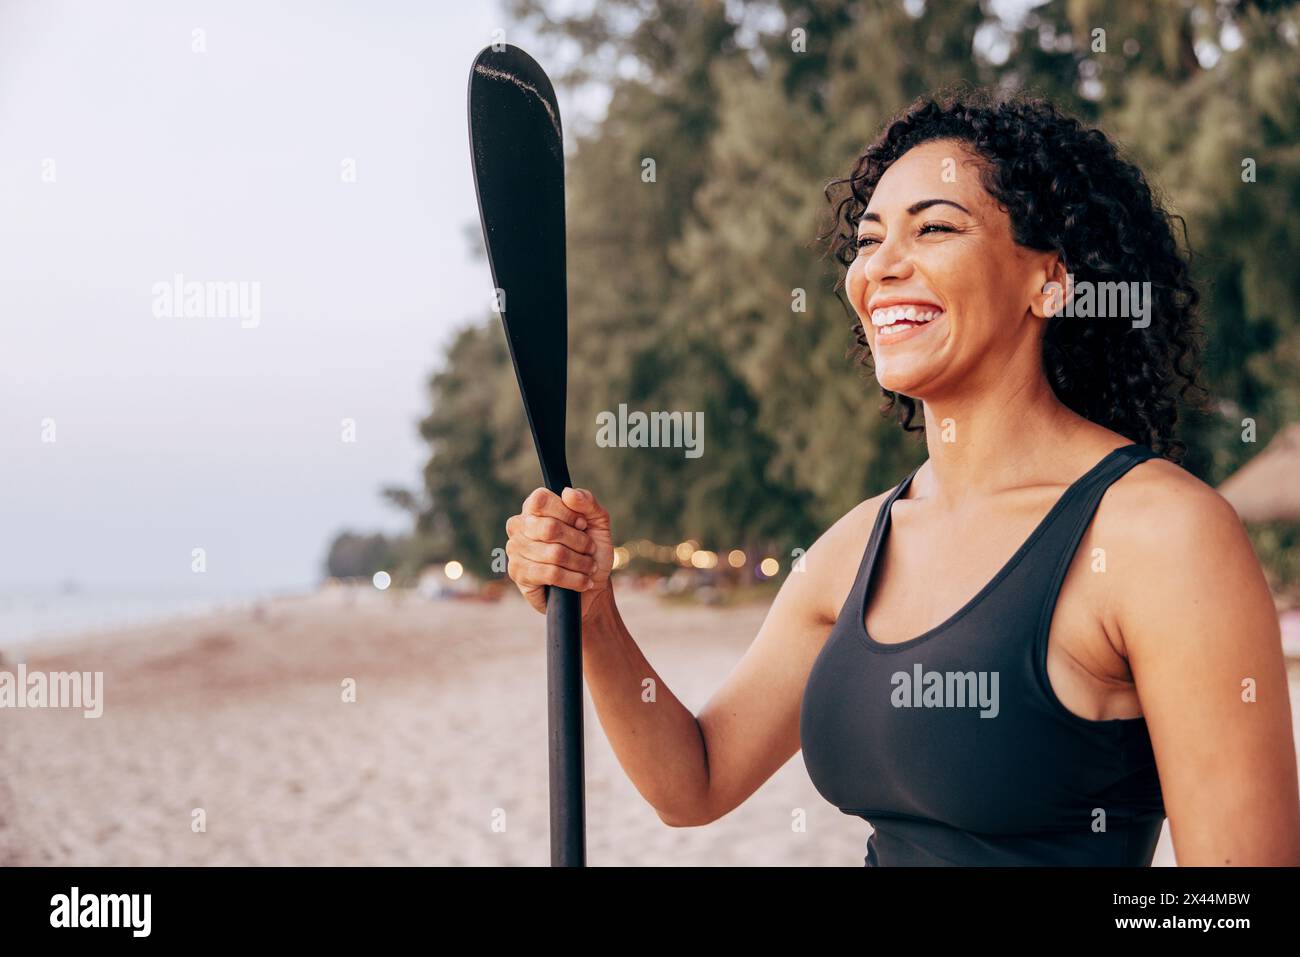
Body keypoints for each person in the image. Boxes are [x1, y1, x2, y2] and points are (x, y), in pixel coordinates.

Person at [503, 90, 1300, 866]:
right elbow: (696, 781)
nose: (881, 268)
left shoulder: (1159, 534)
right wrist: (596, 610)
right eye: (869, 239)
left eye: (936, 228)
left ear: (1049, 281)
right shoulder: (857, 546)